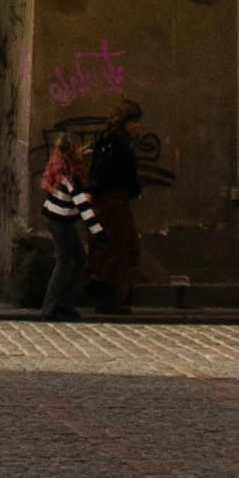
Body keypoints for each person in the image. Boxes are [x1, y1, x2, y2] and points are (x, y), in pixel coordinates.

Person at [83, 104, 146, 317]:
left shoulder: (108, 142)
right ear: (124, 122)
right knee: (115, 247)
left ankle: (107, 293)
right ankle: (107, 297)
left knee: (119, 246)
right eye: (134, 122)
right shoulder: (115, 144)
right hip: (111, 200)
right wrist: (133, 188)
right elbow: (108, 172)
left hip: (112, 199)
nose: (137, 126)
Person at [35, 129, 100, 321]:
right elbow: (79, 201)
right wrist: (97, 230)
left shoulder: (64, 164)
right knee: (65, 262)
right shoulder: (67, 170)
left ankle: (63, 304)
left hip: (62, 220)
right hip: (59, 220)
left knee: (78, 259)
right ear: (72, 151)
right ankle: (51, 307)